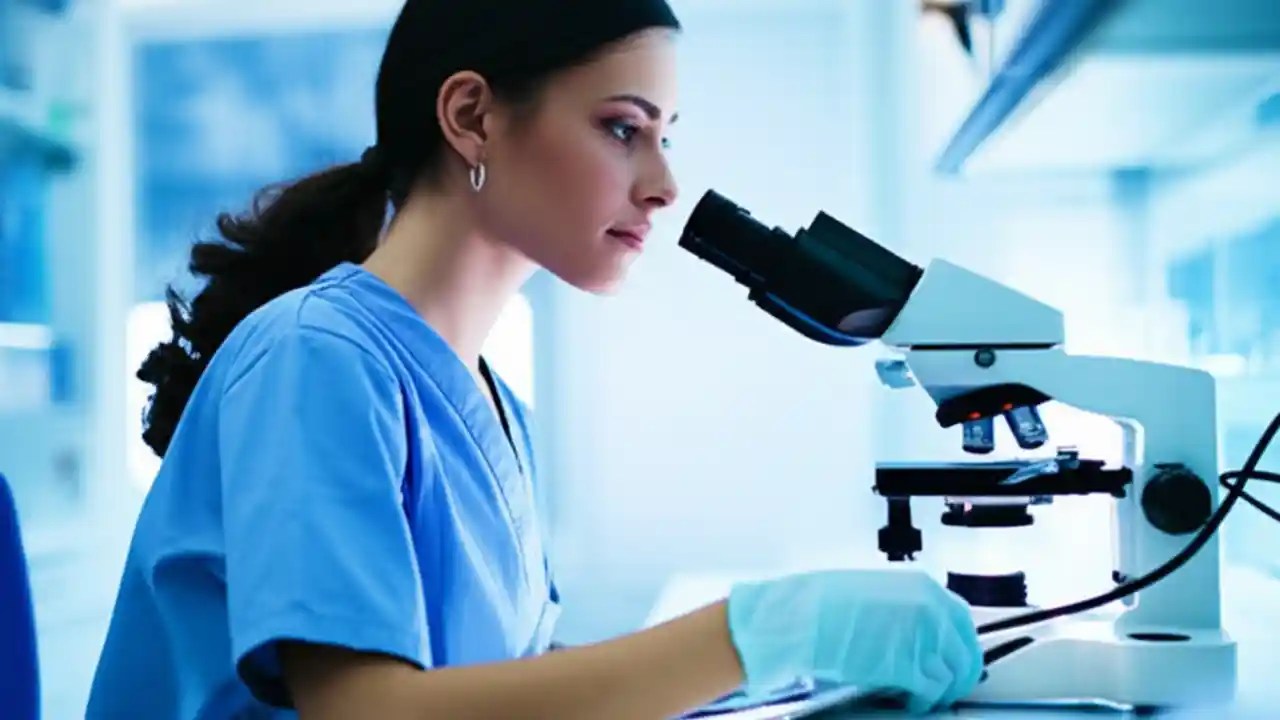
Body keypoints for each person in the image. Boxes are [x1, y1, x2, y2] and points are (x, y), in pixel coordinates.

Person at [86, 1, 984, 718]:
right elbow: (369, 710)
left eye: (666, 134)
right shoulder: (314, 361)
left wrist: (775, 676)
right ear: (472, 116)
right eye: (622, 128)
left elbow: (501, 682)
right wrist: (757, 632)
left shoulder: (491, 401)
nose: (665, 184)